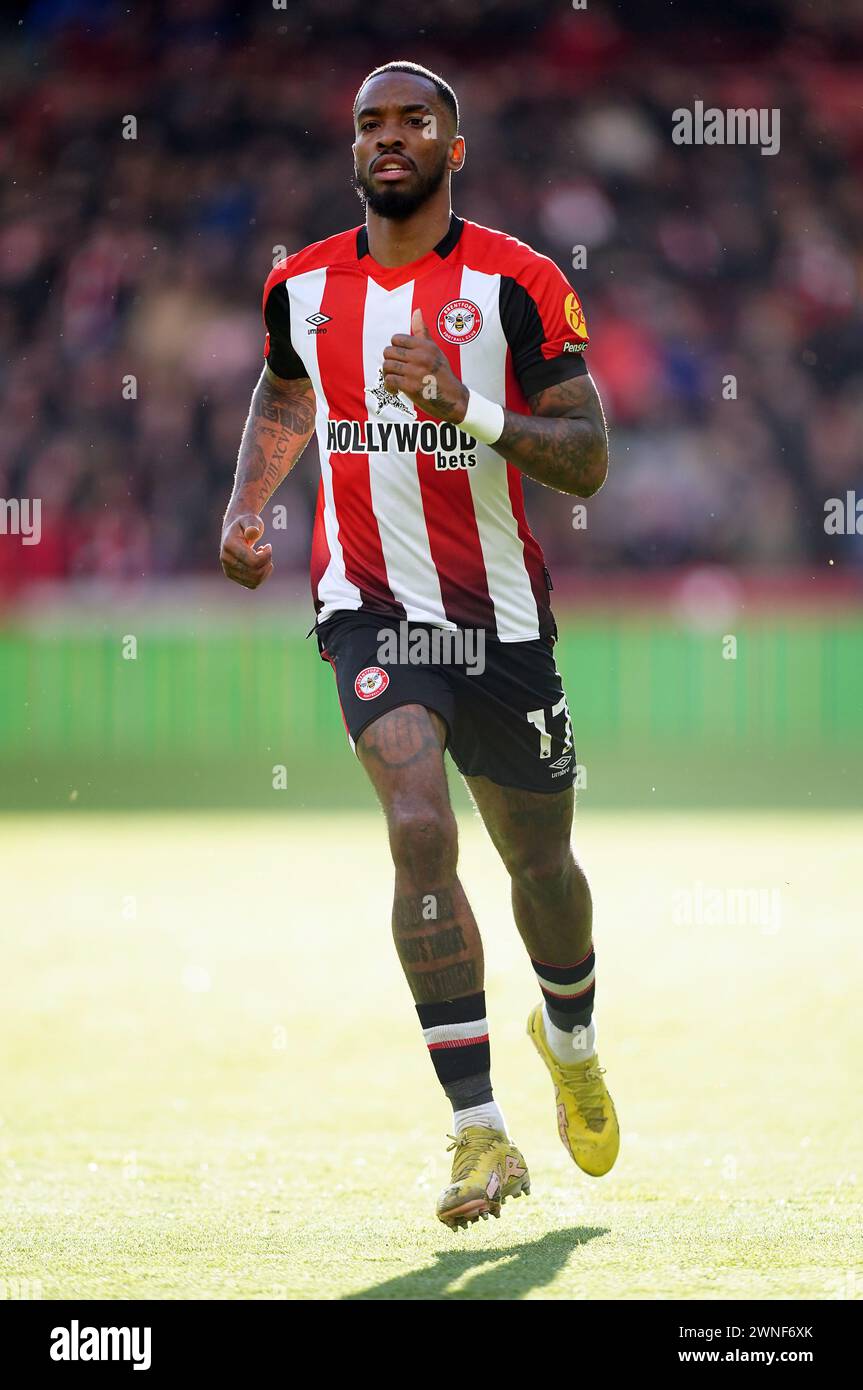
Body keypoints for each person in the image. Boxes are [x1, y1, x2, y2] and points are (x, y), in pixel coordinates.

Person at [220, 60, 618, 1231]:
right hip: (368, 607)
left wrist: (472, 411)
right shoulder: (296, 285)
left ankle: (573, 1040)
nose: (388, 139)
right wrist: (250, 500)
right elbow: (284, 391)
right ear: (352, 151)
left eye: (414, 122)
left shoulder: (519, 283)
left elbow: (588, 454)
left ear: (455, 147)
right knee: (416, 828)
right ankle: (476, 1129)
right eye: (369, 125)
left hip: (501, 621)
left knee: (539, 866)